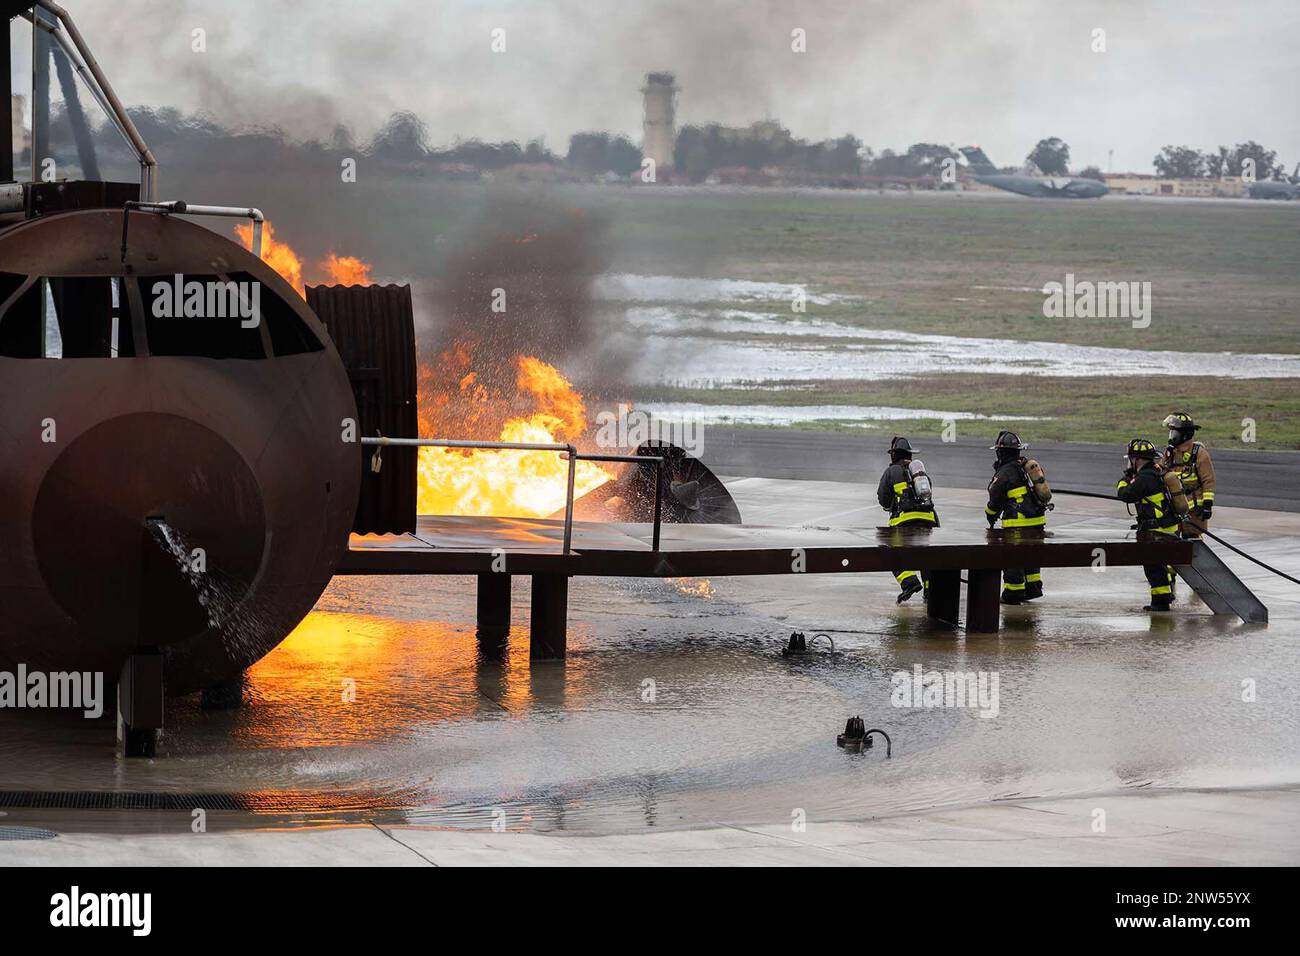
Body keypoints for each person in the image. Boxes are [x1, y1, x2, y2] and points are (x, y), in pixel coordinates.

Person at [1116, 438, 1181, 611]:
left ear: (1136, 460)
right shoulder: (1156, 471)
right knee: (1161, 566)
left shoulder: (1145, 477)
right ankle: (1165, 597)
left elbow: (1125, 494)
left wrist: (1124, 479)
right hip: (1168, 527)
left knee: (1154, 567)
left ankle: (1160, 603)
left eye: (1131, 459)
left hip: (1156, 530)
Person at [985, 430, 1047, 604]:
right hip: (1037, 522)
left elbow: (994, 496)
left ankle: (1013, 593)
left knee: (1012, 558)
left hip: (1018, 523)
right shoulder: (1026, 468)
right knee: (1030, 555)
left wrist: (990, 514)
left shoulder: (1005, 472)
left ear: (1001, 451)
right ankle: (1033, 587)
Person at [876, 436, 938, 604]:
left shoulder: (891, 471)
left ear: (894, 455)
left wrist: (892, 505)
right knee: (925, 556)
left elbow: (882, 498)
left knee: (891, 551)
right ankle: (930, 590)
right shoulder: (921, 474)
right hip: (928, 521)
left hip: (904, 522)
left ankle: (909, 582)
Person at [1161, 411, 1215, 539]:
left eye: (1174, 433)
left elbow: (1208, 481)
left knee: (1193, 540)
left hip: (1195, 511)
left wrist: (1207, 504)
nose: (1171, 437)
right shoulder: (1170, 453)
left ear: (1184, 435)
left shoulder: (1200, 454)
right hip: (1175, 507)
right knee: (1173, 539)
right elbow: (1161, 471)